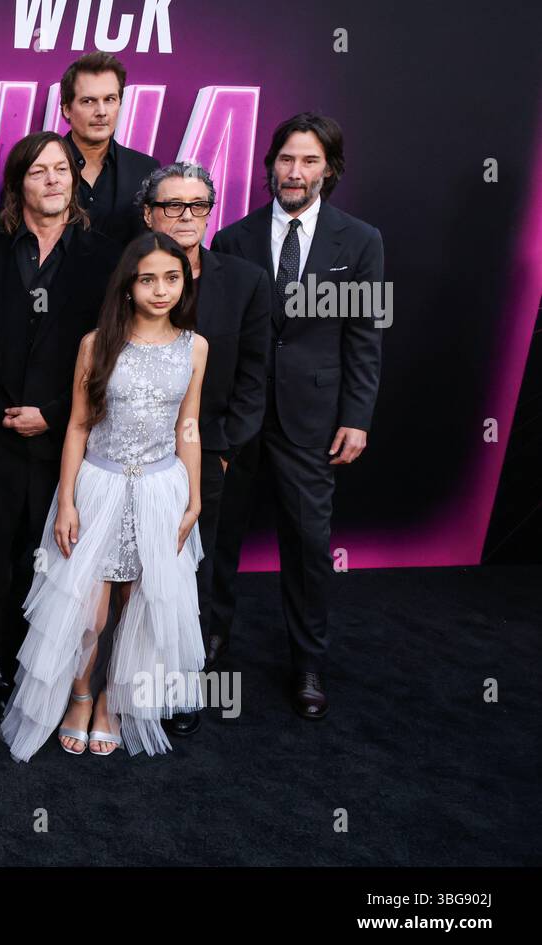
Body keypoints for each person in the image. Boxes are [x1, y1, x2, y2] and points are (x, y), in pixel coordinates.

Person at [0, 231, 208, 761]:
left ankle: (114, 703)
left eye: (171, 278)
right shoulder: (97, 344)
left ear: (184, 283)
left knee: (139, 605)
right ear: (128, 285)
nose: (160, 290)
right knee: (89, 614)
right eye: (148, 279)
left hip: (163, 488)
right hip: (99, 484)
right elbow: (76, 426)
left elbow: (189, 426)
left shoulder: (194, 347)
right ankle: (80, 695)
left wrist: (195, 499)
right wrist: (67, 499)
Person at [210, 113, 384, 719]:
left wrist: (356, 417)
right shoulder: (233, 238)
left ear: (328, 170)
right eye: (286, 159)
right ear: (270, 165)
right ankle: (210, 646)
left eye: (309, 161)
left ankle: (308, 663)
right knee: (216, 537)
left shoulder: (360, 241)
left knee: (309, 546)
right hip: (237, 416)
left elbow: (364, 336)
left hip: (312, 420)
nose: (295, 171)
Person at [0, 132, 116, 714]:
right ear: (17, 183)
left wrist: (51, 414)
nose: (52, 178)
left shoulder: (103, 258)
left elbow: (109, 352)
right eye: (38, 170)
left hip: (65, 435)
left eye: (62, 169)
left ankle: (37, 663)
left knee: (47, 553)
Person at [137, 162, 272, 736]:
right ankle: (131, 677)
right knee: (139, 568)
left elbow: (254, 374)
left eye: (198, 205)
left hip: (209, 448)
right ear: (149, 214)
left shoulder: (245, 280)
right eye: (173, 206)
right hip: (135, 448)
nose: (186, 216)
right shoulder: (129, 274)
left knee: (200, 569)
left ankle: (185, 684)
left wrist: (221, 450)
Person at [58, 52, 160, 261]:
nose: (102, 111)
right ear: (67, 109)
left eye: (110, 99)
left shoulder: (146, 170)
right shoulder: (37, 168)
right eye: (88, 101)